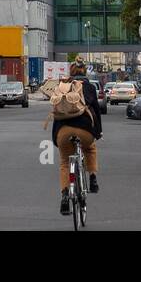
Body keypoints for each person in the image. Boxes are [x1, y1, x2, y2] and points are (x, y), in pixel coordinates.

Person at [50, 59, 102, 216]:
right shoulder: (90, 87)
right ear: (85, 72)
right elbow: (97, 113)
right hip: (85, 130)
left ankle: (65, 196)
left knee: (65, 162)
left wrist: (55, 138)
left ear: (70, 73)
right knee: (90, 148)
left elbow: (56, 113)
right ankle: (92, 179)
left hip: (63, 132)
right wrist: (98, 132)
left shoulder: (62, 87)